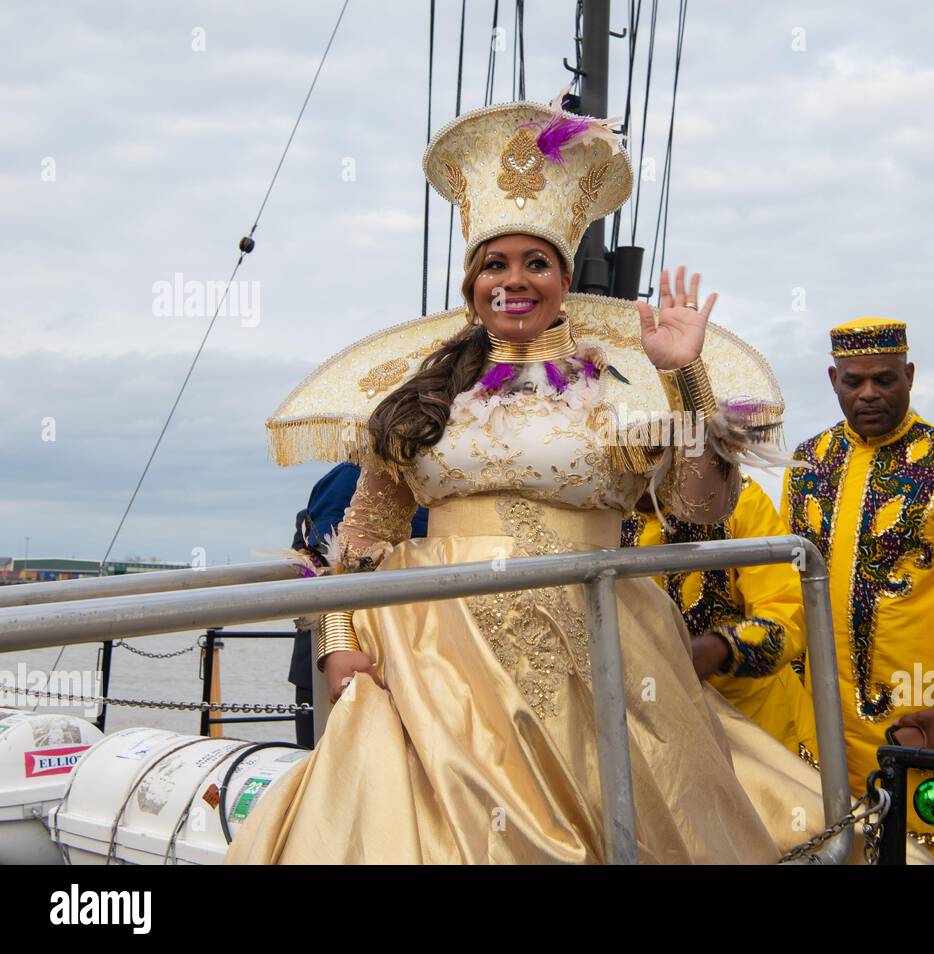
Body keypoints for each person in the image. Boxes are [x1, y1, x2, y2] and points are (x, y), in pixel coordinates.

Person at [227, 99, 823, 864]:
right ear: (472, 280)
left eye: (534, 263)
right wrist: (341, 643)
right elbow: (364, 540)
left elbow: (695, 507)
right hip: (431, 656)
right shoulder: (419, 396)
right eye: (495, 265)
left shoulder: (626, 386)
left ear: (564, 277)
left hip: (602, 646)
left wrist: (686, 377)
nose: (514, 281)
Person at [782, 317, 934, 854]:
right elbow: (786, 588)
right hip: (820, 714)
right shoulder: (806, 464)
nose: (869, 393)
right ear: (833, 379)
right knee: (828, 845)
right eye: (853, 382)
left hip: (921, 716)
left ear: (910, 375)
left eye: (885, 379)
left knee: (929, 849)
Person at [622, 476, 819, 762]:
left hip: (759, 733)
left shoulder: (737, 498)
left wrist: (723, 648)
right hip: (656, 737)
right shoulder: (602, 511)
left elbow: (785, 610)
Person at [285, 464, 429, 747]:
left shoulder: (335, 479)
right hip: (360, 655)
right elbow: (333, 560)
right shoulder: (356, 476)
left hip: (391, 651)